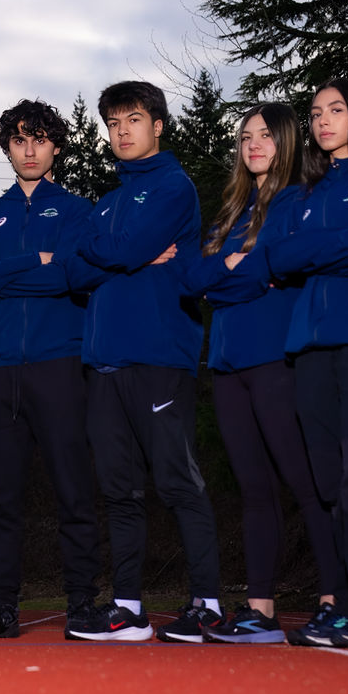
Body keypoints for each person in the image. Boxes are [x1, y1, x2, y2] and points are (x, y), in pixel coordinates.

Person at [60, 81, 222, 643]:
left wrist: (114, 252)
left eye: (132, 119)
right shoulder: (106, 202)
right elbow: (74, 273)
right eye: (112, 123)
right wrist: (121, 253)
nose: (121, 131)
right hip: (103, 362)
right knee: (118, 490)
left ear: (158, 125)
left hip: (158, 357)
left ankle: (209, 603)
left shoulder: (174, 187)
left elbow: (108, 253)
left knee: (178, 481)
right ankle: (128, 608)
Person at [184, 105, 338, 644]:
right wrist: (232, 269)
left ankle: (334, 600)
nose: (254, 144)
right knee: (253, 490)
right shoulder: (230, 210)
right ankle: (261, 609)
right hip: (226, 365)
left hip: (275, 359)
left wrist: (229, 272)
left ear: (288, 142)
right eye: (246, 136)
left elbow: (272, 269)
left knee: (308, 483)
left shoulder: (297, 200)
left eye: (265, 136)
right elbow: (193, 279)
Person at [256, 79, 348, 648]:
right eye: (315, 113)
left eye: (335, 110)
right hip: (307, 347)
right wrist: (324, 245)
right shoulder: (306, 191)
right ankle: (340, 605)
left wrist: (313, 248)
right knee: (328, 481)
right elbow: (278, 256)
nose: (322, 120)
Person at [0, 100, 98, 639]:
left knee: (73, 489)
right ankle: (0, 608)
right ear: (7, 148)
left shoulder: (79, 212)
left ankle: (83, 603)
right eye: (19, 140)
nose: (30, 149)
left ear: (56, 146)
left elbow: (68, 278)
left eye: (40, 139)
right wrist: (32, 262)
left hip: (59, 363)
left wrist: (10, 274)